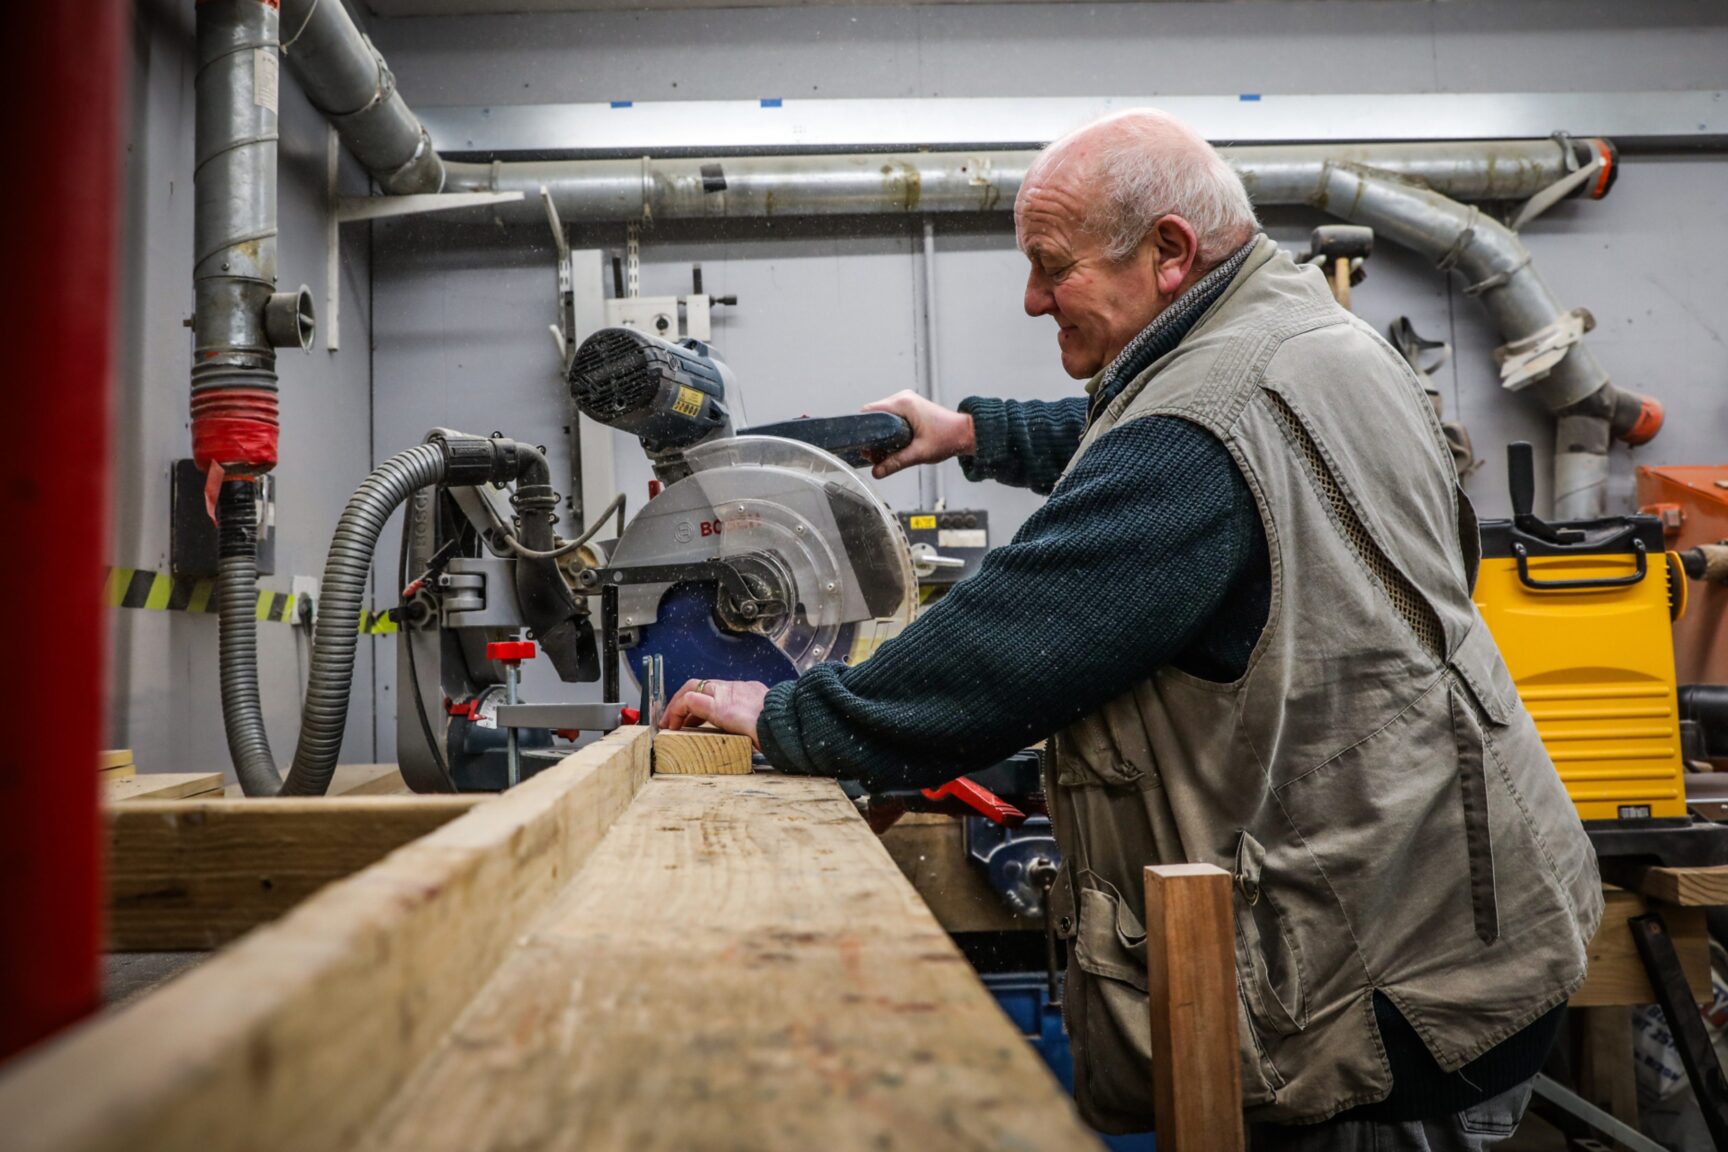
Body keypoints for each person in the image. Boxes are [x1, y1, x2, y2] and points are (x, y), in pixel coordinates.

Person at [661, 108, 1601, 1149]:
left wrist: (788, 718)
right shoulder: (1301, 331)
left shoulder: (1202, 428)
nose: (1029, 299)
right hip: (1471, 902)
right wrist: (974, 434)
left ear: (1168, 252)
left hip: (1383, 980)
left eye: (1050, 267)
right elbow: (1167, 431)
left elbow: (1014, 641)